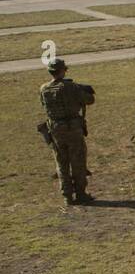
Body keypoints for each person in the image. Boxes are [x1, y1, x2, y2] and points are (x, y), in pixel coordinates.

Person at [39, 58, 95, 205]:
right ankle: (81, 194)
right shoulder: (71, 87)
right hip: (72, 128)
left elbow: (44, 105)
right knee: (78, 161)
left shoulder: (44, 88)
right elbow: (89, 100)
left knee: (61, 162)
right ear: (62, 70)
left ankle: (67, 195)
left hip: (55, 129)